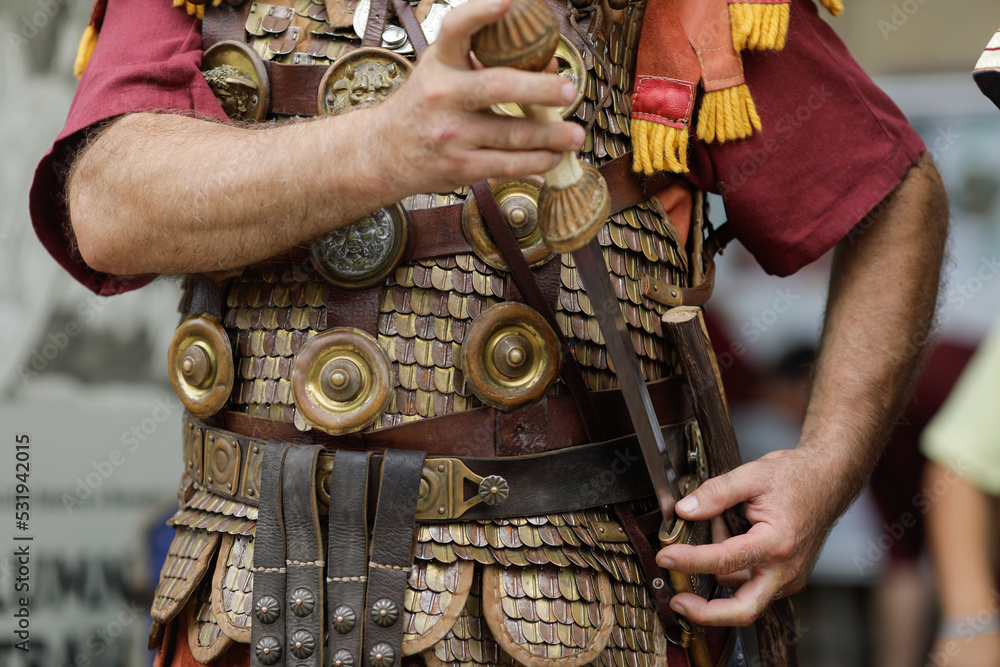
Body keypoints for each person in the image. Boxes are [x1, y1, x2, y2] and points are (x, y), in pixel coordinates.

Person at [29, 0, 948, 664]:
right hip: (249, 594)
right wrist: (380, 148)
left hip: (573, 601)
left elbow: (890, 194)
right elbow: (105, 208)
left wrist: (827, 467)